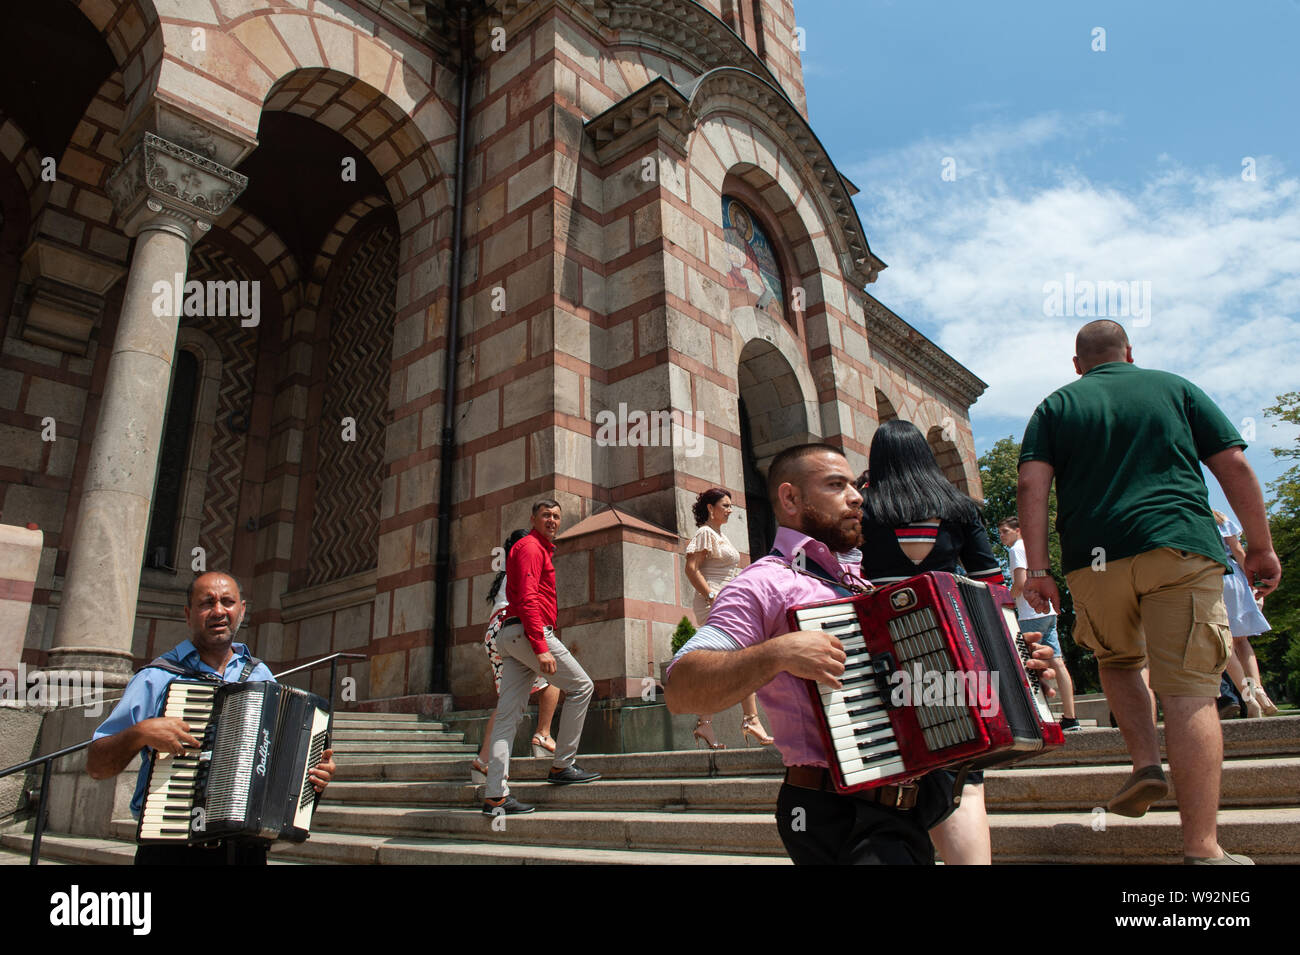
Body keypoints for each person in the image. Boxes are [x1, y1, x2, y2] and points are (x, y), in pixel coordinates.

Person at [664, 443, 1056, 865]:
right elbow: (682, 688)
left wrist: (1014, 672)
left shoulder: (861, 584)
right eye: (836, 485)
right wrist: (775, 653)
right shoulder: (763, 583)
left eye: (854, 485)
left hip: (905, 811)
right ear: (791, 498)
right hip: (834, 813)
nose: (856, 496)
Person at [1017, 319, 1280, 865]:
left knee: (1116, 660)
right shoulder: (1174, 387)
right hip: (1178, 548)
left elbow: (1030, 486)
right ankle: (1202, 850)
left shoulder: (1055, 407)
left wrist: (1037, 568)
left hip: (1094, 561)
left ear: (1077, 363)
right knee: (1188, 690)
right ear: (1129, 354)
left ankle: (1145, 764)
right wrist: (1259, 547)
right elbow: (1232, 463)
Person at [86, 571, 335, 865]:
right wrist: (138, 733)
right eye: (207, 603)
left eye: (228, 602)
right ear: (189, 614)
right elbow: (96, 766)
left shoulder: (260, 676)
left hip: (246, 853)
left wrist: (313, 773)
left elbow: (282, 757)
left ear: (242, 610)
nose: (219, 611)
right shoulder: (156, 678)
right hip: (172, 850)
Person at [857, 420, 1010, 866]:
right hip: (954, 647)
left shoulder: (865, 509)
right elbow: (990, 580)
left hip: (883, 648)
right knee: (962, 770)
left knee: (898, 760)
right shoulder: (959, 508)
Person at [483, 500, 599, 815]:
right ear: (533, 518)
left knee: (507, 717)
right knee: (581, 687)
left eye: (556, 516)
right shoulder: (531, 547)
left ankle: (495, 795)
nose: (552, 520)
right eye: (546, 515)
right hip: (528, 632)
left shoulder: (532, 548)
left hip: (511, 635)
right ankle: (563, 764)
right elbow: (529, 596)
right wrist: (541, 645)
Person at [470, 529, 563, 783]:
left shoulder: (506, 572)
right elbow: (527, 600)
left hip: (495, 633)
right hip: (515, 627)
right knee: (556, 674)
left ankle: (483, 762)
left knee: (509, 700)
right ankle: (543, 735)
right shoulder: (525, 561)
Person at [683, 487, 773, 749]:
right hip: (714, 601)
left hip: (726, 601)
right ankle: (750, 719)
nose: (730, 510)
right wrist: (712, 596)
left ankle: (706, 725)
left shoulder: (719, 535)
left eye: (731, 505)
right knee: (743, 657)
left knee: (723, 664)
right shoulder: (705, 533)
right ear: (710, 508)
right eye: (725, 505)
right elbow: (691, 570)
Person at [997, 517, 1081, 731]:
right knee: (1057, 662)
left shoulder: (1016, 549)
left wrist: (1003, 600)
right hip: (1048, 612)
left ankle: (1035, 718)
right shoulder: (1033, 547)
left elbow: (1020, 583)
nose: (1001, 536)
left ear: (1018, 531)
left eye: (1005, 531)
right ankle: (1070, 718)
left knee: (1026, 666)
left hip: (1029, 615)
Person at [1213, 510, 1279, 717]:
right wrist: (1254, 582)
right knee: (1242, 641)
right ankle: (1258, 690)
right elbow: (1239, 551)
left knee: (1226, 643)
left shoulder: (1191, 519)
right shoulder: (1220, 519)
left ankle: (1248, 696)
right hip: (1234, 578)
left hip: (1210, 579)